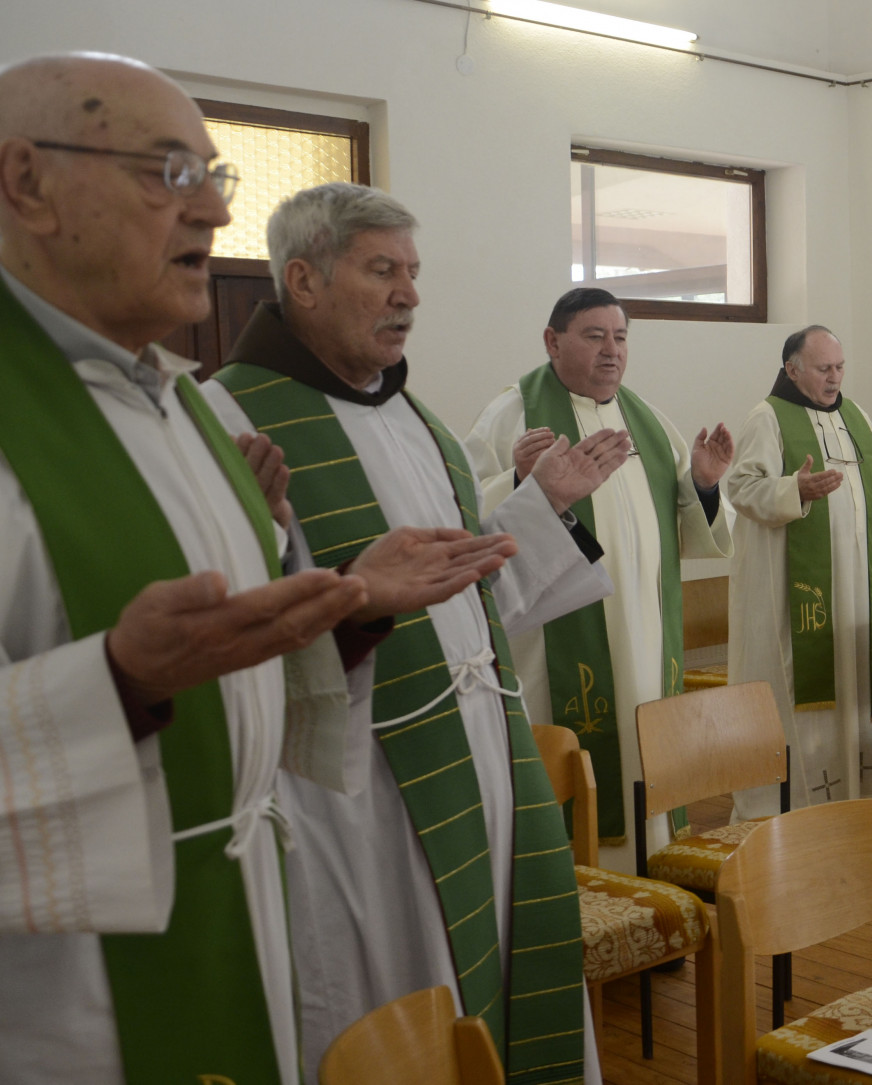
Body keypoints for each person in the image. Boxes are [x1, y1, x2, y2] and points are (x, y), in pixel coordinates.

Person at [0, 51, 374, 1085]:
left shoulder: (185, 401)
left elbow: (228, 662)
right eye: (169, 173)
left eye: (218, 176)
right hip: (65, 988)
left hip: (236, 897)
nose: (212, 210)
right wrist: (119, 681)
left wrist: (342, 616)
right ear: (25, 182)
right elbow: (144, 659)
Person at [201, 182, 625, 1083]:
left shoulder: (417, 420)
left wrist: (542, 505)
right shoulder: (226, 421)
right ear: (304, 281)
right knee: (404, 1014)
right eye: (382, 270)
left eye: (414, 272)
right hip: (363, 803)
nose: (410, 295)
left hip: (483, 764)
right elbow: (221, 655)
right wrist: (358, 598)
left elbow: (476, 610)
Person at [465, 287, 733, 868]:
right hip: (555, 633)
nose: (611, 351)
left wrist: (705, 486)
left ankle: (653, 889)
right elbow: (464, 519)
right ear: (552, 341)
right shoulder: (511, 416)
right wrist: (520, 483)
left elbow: (681, 530)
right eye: (594, 336)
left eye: (620, 337)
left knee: (644, 756)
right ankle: (577, 899)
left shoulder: (649, 422)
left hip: (645, 631)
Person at [726, 325, 872, 815]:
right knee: (797, 691)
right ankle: (787, 808)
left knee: (853, 688)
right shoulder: (768, 418)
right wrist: (792, 489)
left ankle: (852, 799)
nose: (835, 377)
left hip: (855, 589)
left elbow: (870, 483)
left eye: (839, 367)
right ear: (792, 369)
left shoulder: (854, 415)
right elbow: (740, 489)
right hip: (794, 597)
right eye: (824, 369)